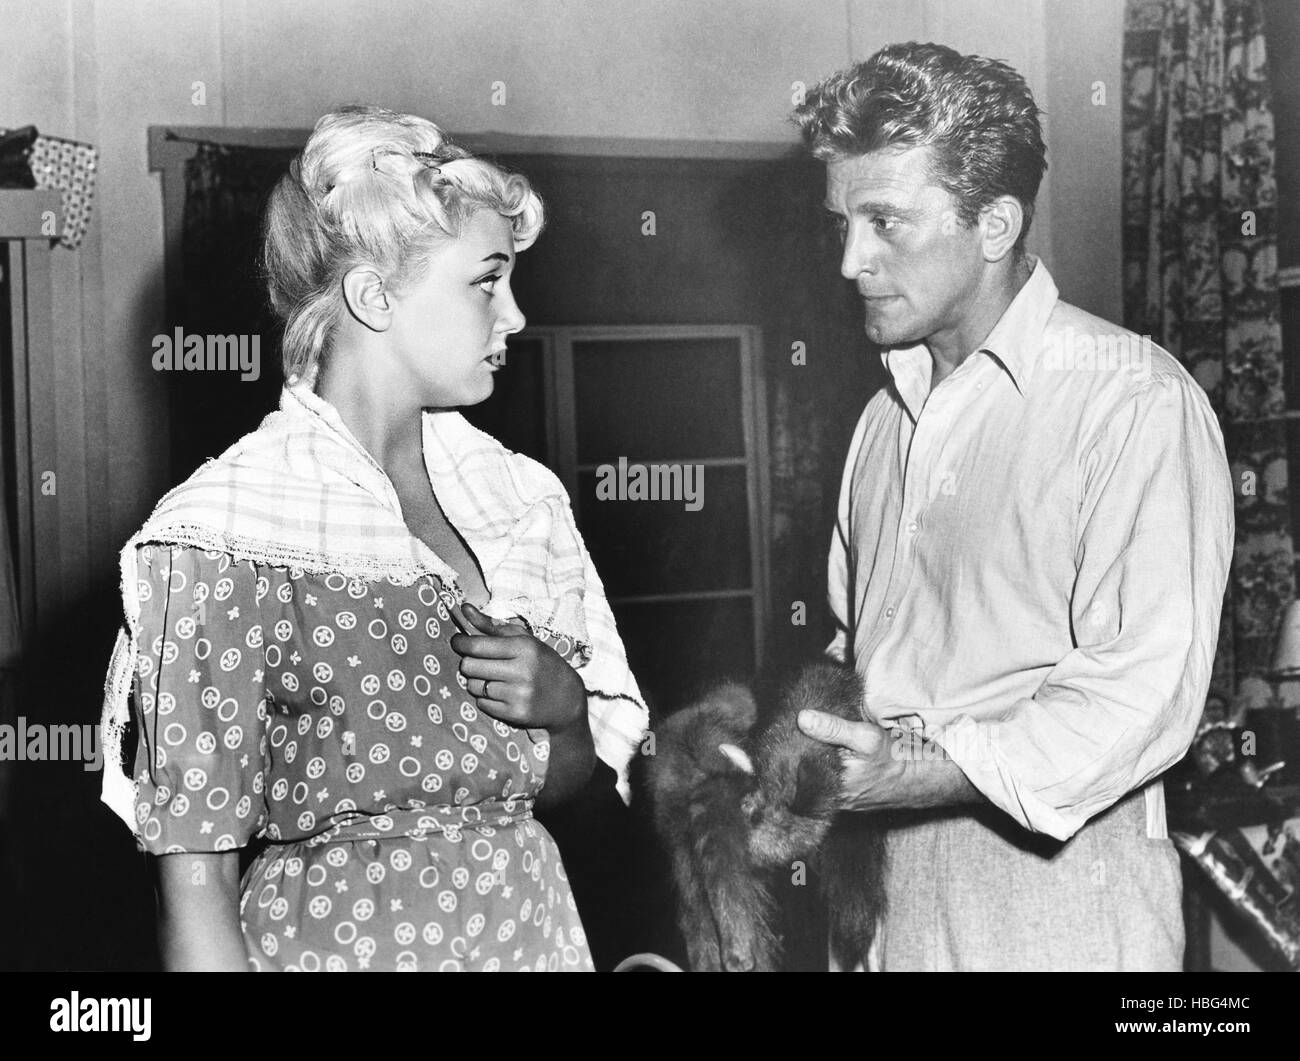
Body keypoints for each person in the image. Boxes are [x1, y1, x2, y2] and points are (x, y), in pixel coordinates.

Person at [99, 106, 648, 971]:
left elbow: (559, 785)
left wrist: (569, 710)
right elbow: (196, 886)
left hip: (533, 940)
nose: (515, 315)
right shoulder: (224, 532)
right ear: (372, 294)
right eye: (487, 279)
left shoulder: (519, 502)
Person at [791, 43, 1234, 970]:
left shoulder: (1129, 399)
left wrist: (920, 773)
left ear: (994, 223)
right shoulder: (882, 420)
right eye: (840, 221)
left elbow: (1141, 690)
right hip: (879, 898)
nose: (848, 261)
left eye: (884, 223)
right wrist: (792, 738)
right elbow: (861, 646)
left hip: (1057, 900)